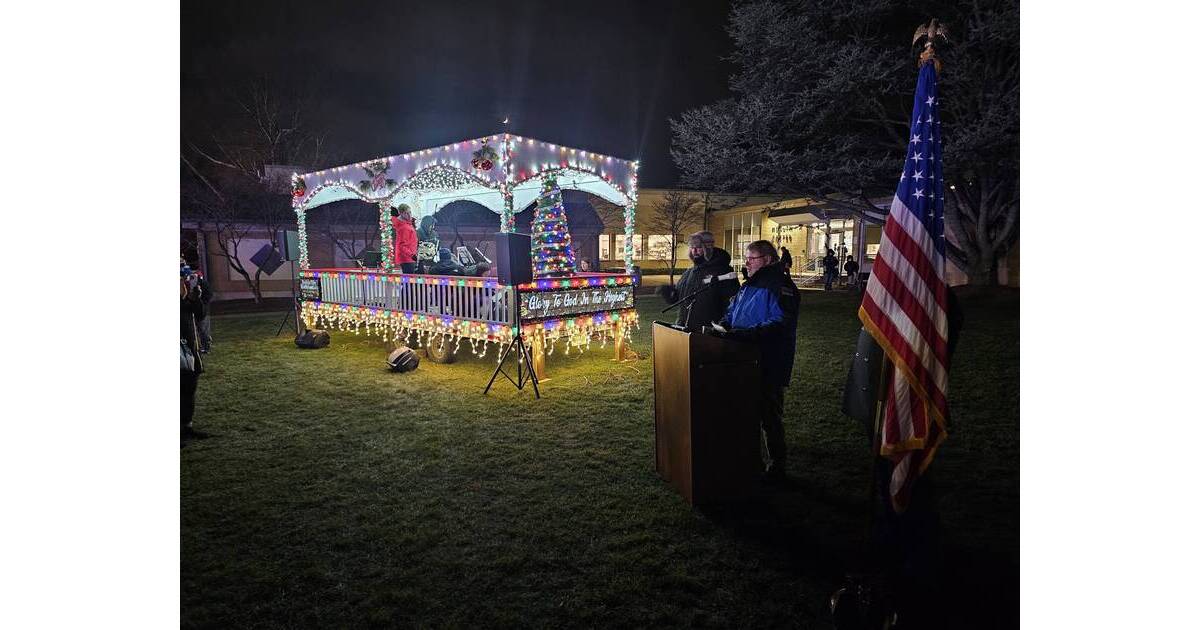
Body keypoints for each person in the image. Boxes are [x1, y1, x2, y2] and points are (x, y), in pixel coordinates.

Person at [716, 240, 800, 482]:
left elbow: (781, 322)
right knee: (745, 411)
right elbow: (733, 312)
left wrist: (749, 335)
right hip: (742, 357)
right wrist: (724, 324)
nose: (746, 263)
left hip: (768, 359)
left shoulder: (781, 286)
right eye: (746, 258)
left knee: (769, 415)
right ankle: (749, 459)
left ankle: (777, 465)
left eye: (751, 258)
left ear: (768, 259)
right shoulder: (748, 285)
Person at [660, 231, 739, 332]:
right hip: (685, 330)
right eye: (692, 248)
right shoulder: (689, 272)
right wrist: (670, 294)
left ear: (709, 248)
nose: (695, 251)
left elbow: (732, 304)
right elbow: (681, 299)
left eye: (699, 248)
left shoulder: (723, 271)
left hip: (708, 333)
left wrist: (721, 327)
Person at [181, 264, 207, 443]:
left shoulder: (185, 299)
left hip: (190, 349)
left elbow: (200, 314)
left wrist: (196, 297)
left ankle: (186, 427)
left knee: (189, 389)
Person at [391, 205, 419, 273]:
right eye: (406, 213)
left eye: (410, 212)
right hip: (407, 259)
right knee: (409, 280)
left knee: (409, 280)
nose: (409, 215)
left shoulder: (407, 225)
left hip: (409, 258)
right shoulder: (404, 227)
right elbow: (402, 245)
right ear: (401, 214)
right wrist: (412, 255)